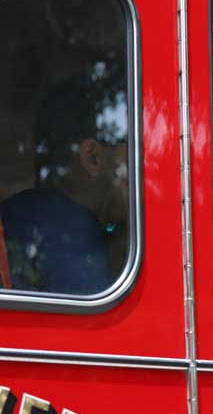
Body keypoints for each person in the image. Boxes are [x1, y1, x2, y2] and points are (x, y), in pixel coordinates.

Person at [0, 83, 129, 295]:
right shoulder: (75, 241)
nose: (144, 166)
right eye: (132, 148)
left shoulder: (22, 211)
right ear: (92, 157)